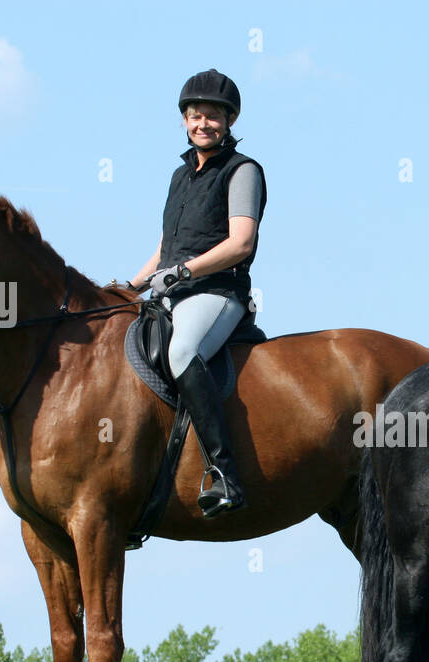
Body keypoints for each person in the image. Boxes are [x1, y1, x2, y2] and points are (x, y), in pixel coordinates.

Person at [128, 68, 266, 518]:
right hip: (172, 291)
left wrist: (184, 271)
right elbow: (165, 248)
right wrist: (128, 286)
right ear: (185, 120)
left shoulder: (243, 171)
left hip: (218, 292)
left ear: (229, 121)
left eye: (212, 117)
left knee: (183, 351)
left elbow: (240, 242)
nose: (203, 124)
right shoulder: (179, 176)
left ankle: (224, 473)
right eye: (195, 116)